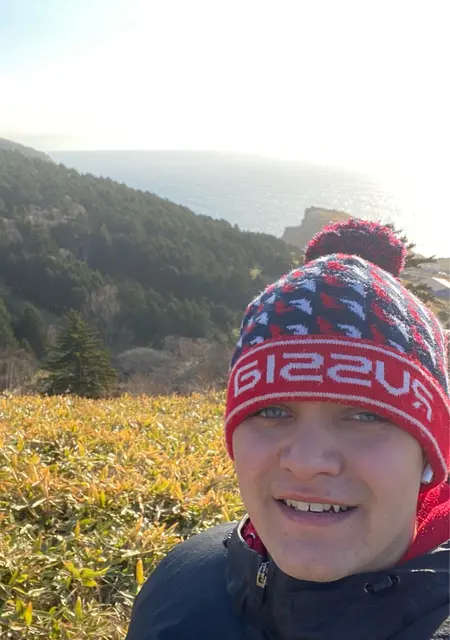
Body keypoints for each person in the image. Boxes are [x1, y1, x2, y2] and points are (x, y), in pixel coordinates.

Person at [125, 218, 449, 640]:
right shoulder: (182, 583)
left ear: (429, 452)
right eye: (272, 411)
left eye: (366, 415)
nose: (306, 462)